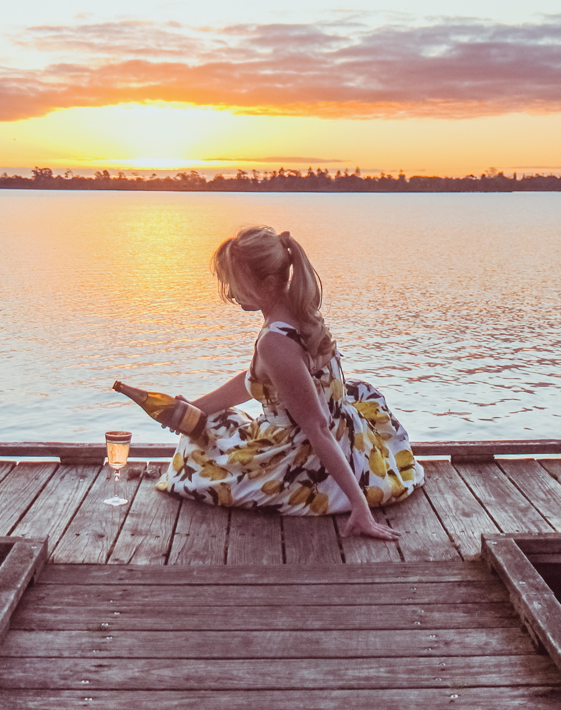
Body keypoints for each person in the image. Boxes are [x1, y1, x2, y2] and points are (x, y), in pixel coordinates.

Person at [156, 225, 422, 539]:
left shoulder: (275, 342)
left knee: (196, 450)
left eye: (235, 282)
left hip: (304, 459)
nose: (229, 292)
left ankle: (340, 491)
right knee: (206, 420)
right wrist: (196, 407)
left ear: (266, 283)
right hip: (348, 437)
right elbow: (260, 381)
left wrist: (359, 506)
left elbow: (317, 427)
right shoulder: (300, 314)